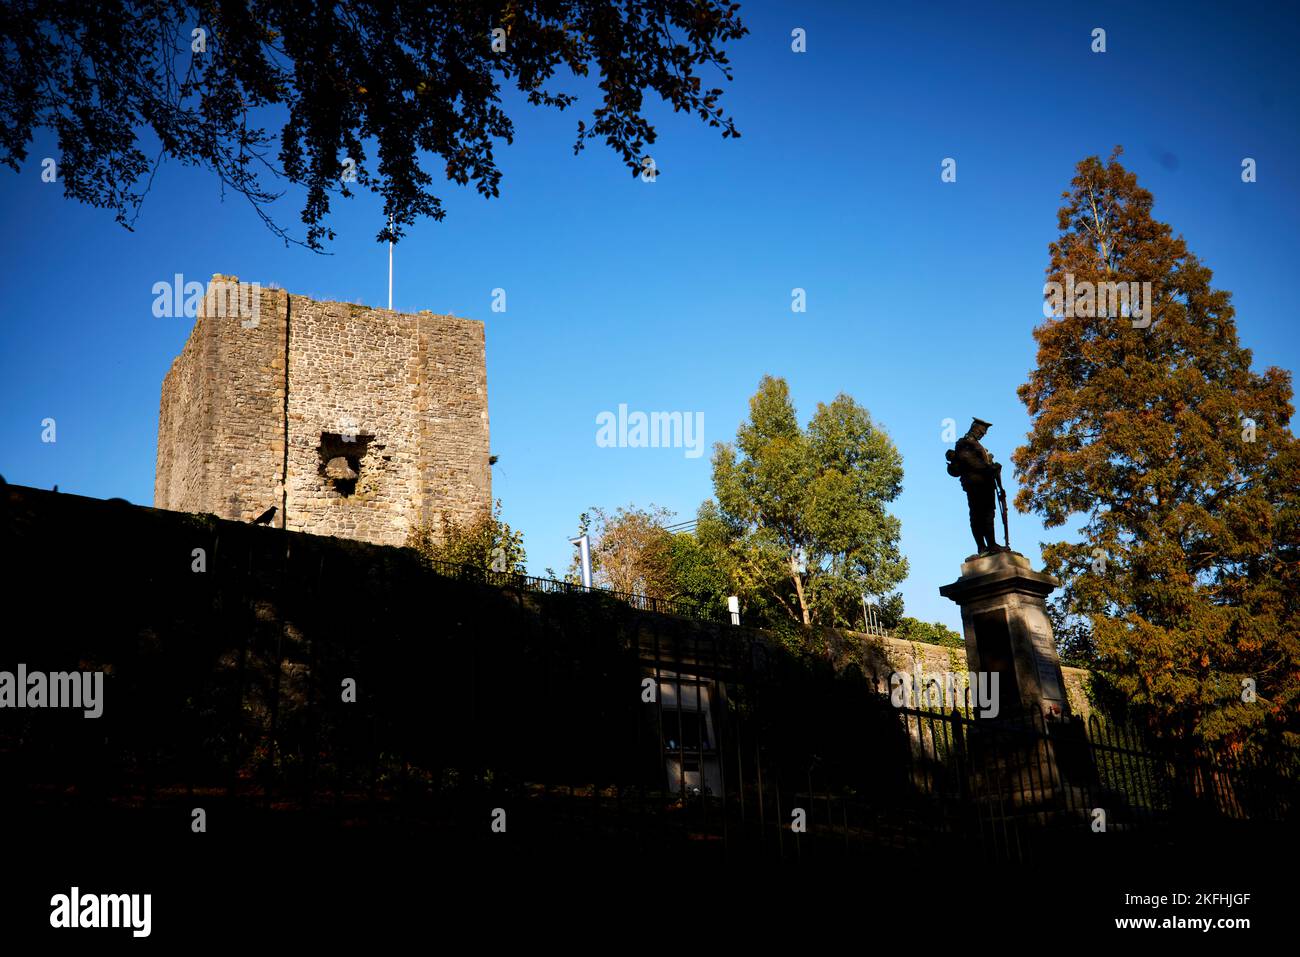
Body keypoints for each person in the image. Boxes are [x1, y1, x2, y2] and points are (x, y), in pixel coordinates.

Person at [946, 417, 1004, 554]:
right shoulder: (964, 444)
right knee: (978, 515)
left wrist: (992, 468)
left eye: (983, 433)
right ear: (974, 429)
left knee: (989, 514)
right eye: (981, 432)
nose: (982, 434)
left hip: (986, 483)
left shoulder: (976, 445)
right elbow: (971, 462)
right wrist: (990, 468)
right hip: (975, 484)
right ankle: (982, 546)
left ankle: (991, 544)